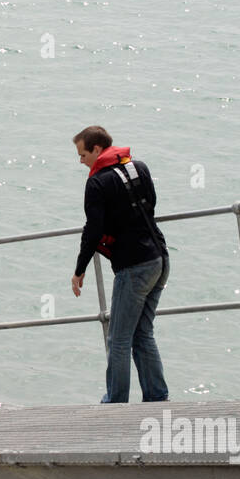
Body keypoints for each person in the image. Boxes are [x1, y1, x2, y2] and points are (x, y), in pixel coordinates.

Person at [71, 126, 171, 404]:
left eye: (82, 155)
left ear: (97, 150)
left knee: (118, 340)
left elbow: (93, 230)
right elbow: (150, 204)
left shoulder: (97, 183)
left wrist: (80, 270)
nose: (81, 161)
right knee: (143, 333)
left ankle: (115, 403)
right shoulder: (139, 167)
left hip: (135, 266)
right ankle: (157, 397)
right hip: (160, 259)